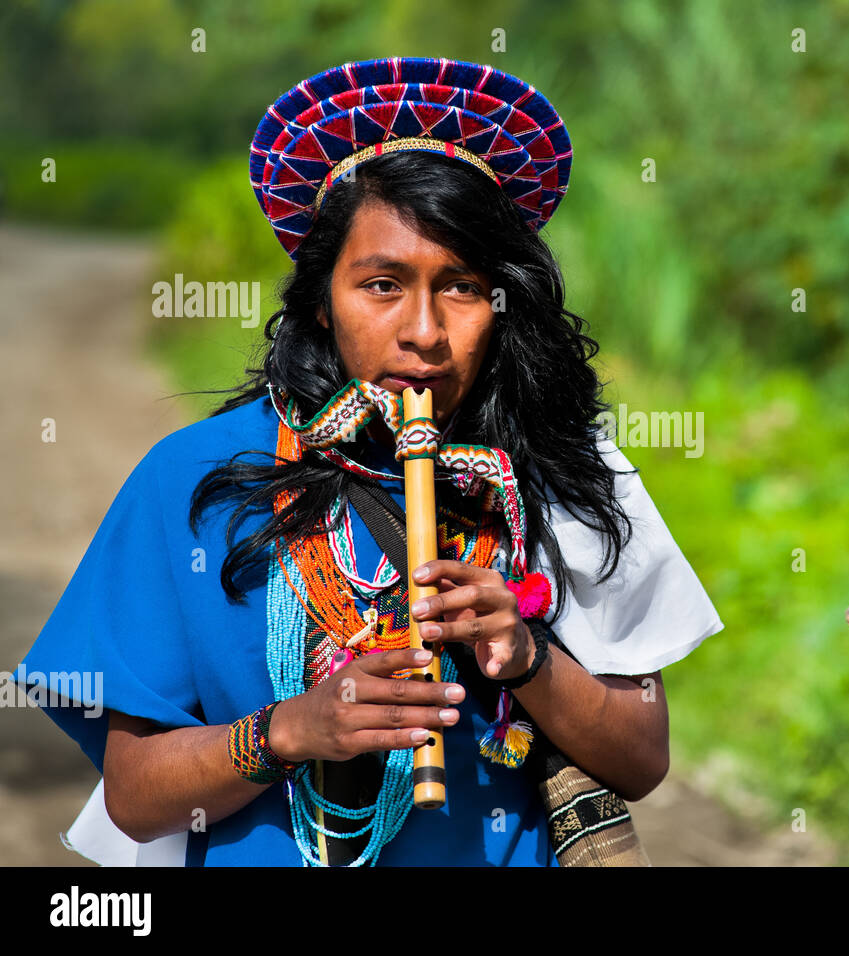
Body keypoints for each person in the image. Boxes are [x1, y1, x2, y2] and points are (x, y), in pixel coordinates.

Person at [19, 57, 723, 867]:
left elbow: (642, 760)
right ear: (321, 299)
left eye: (461, 288)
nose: (423, 331)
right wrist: (293, 729)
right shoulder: (196, 476)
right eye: (382, 285)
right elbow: (136, 799)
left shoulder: (569, 472)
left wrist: (525, 655)